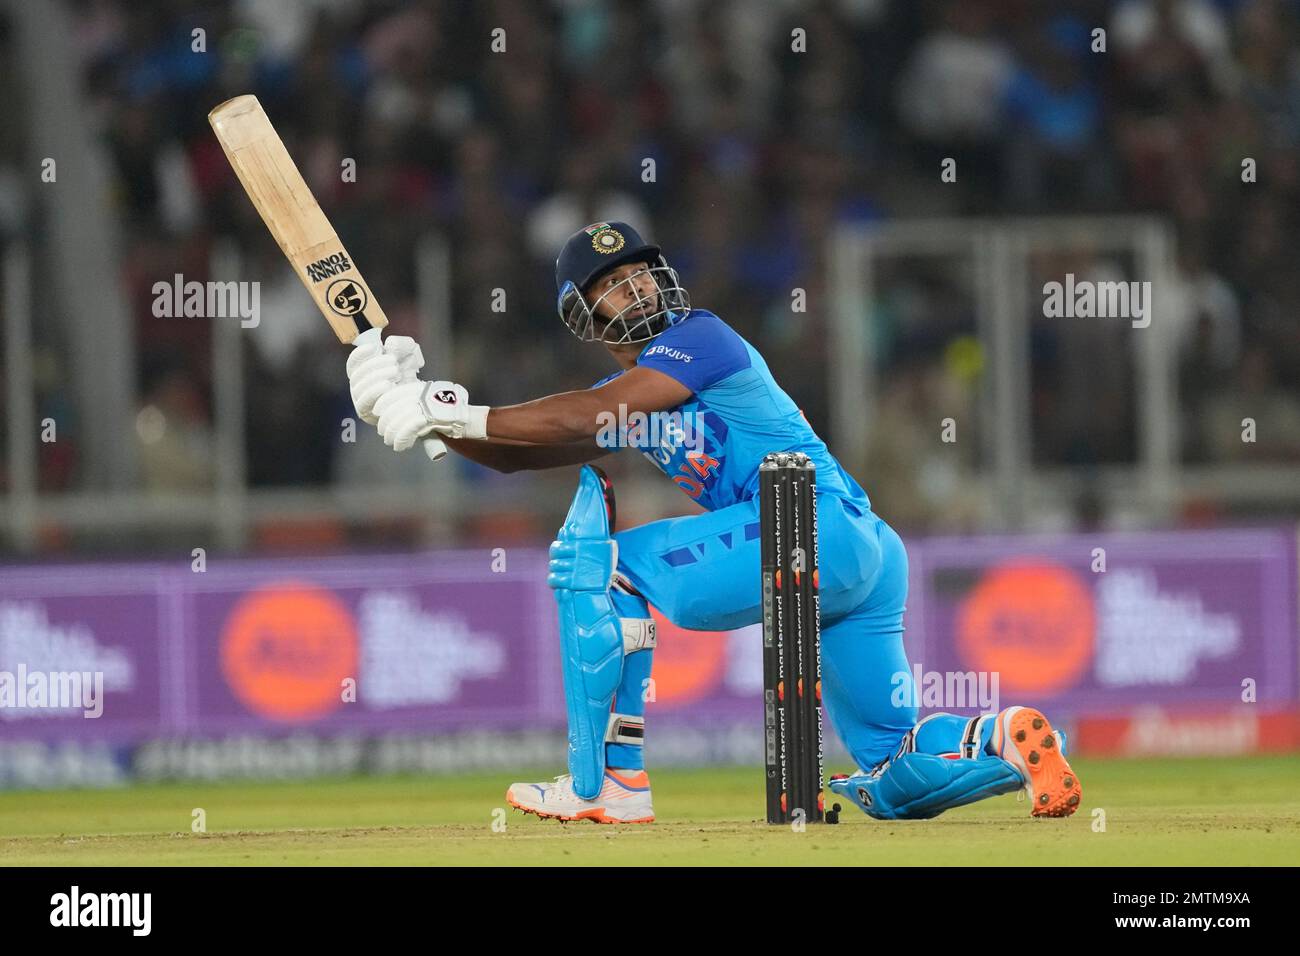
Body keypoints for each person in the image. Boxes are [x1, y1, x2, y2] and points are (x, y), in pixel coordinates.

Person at [346, 221, 1083, 823]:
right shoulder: (628, 390)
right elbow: (521, 453)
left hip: (815, 530)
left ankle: (608, 784)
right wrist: (413, 410)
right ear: (584, 312)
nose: (633, 286)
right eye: (612, 283)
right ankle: (1002, 739)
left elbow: (580, 412)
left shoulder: (701, 338)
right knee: (892, 770)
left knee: (600, 565)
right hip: (859, 552)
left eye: (639, 271)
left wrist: (448, 409)